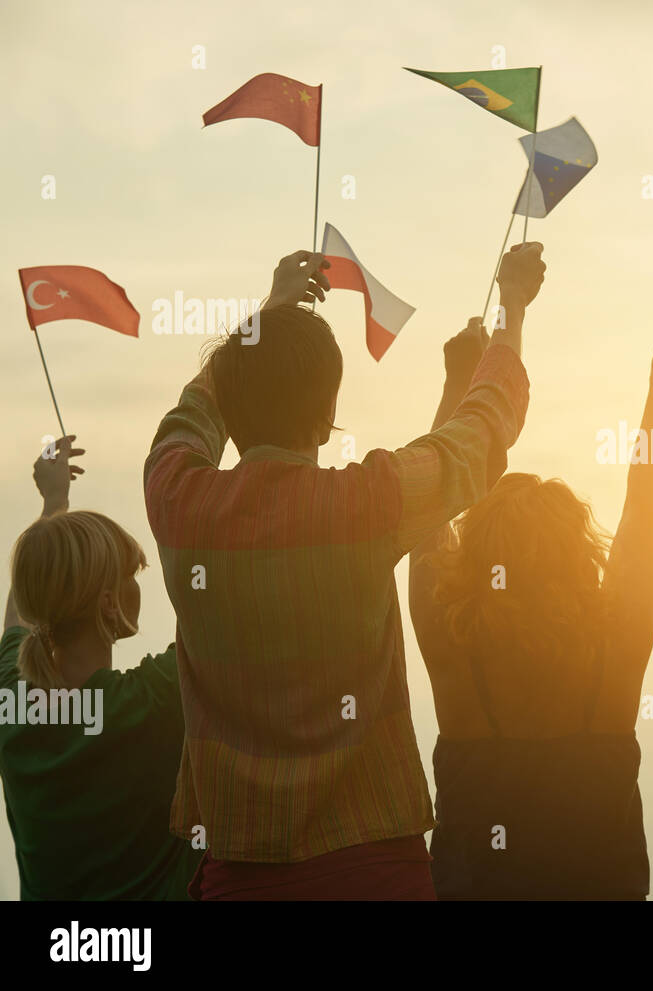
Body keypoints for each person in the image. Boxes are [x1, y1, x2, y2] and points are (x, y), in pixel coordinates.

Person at [142, 243, 544, 899]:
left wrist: (266, 318)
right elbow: (483, 428)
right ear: (329, 418)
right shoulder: (368, 504)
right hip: (375, 869)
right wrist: (513, 312)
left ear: (230, 413)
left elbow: (185, 423)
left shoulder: (180, 504)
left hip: (241, 876)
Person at [408, 311, 653, 899]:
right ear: (577, 552)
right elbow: (645, 504)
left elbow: (425, 511)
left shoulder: (452, 647)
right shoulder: (616, 648)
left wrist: (457, 384)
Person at [1, 437, 201, 900]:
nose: (139, 582)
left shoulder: (12, 706)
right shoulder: (155, 699)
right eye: (132, 572)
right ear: (108, 606)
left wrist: (53, 505)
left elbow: (20, 617)